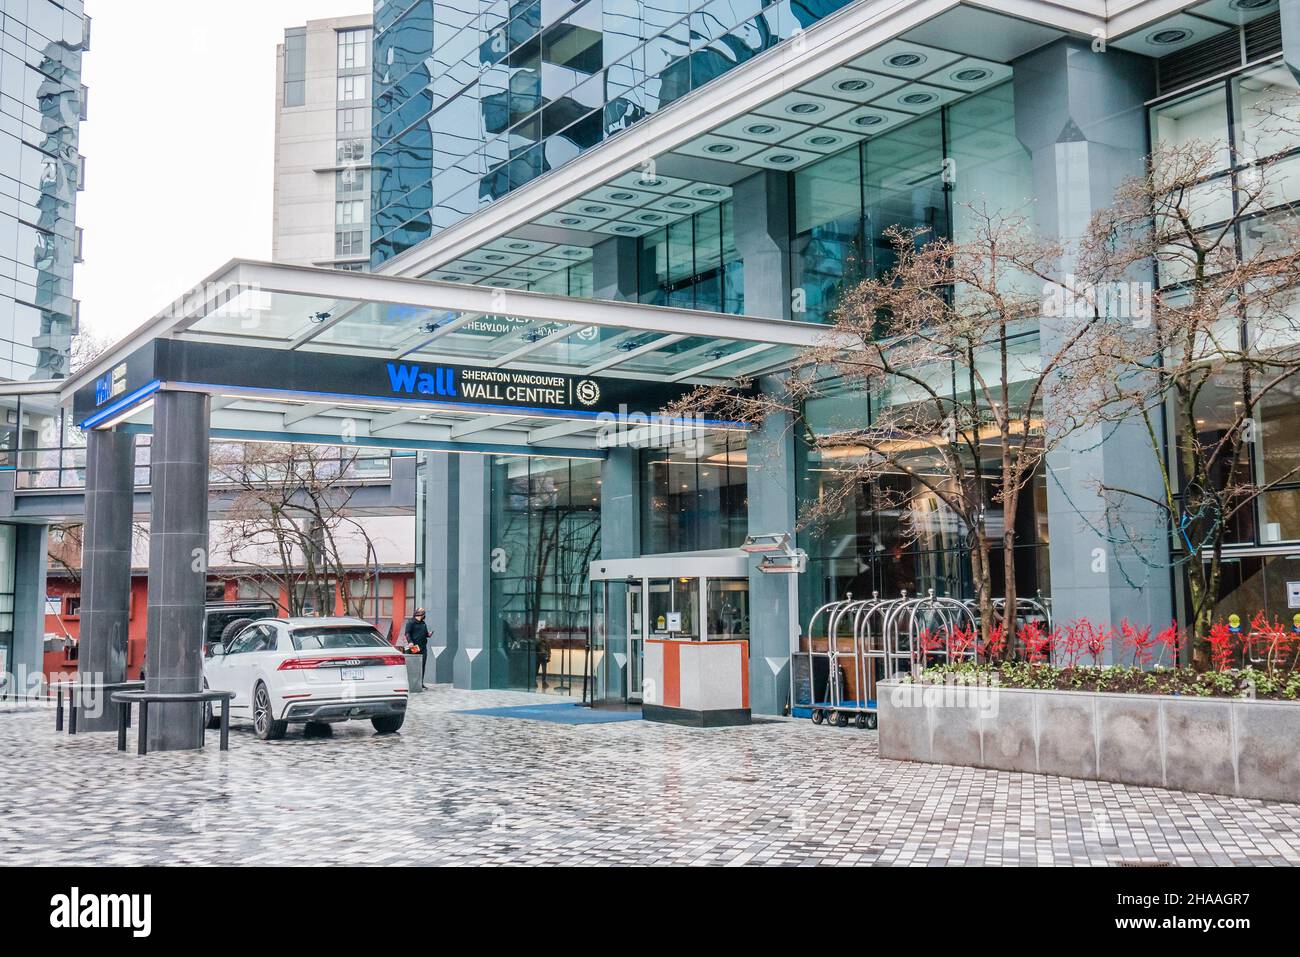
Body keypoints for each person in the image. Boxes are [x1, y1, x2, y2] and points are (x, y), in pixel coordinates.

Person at [403, 608, 431, 681]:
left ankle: (421, 683)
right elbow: (407, 633)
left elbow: (425, 633)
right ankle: (413, 682)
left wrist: (428, 635)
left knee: (422, 665)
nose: (424, 616)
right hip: (414, 647)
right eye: (423, 614)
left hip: (423, 647)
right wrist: (410, 642)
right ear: (419, 614)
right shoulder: (411, 622)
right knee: (414, 665)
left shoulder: (423, 623)